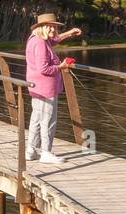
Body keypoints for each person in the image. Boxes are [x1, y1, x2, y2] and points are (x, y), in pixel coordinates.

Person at [24, 13, 82, 164]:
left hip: (37, 86)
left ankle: (31, 150)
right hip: (45, 87)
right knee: (48, 120)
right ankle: (46, 153)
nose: (54, 29)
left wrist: (69, 33)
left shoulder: (37, 40)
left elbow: (54, 40)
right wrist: (61, 66)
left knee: (37, 118)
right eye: (50, 26)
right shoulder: (40, 43)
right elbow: (44, 68)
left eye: (55, 27)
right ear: (42, 27)